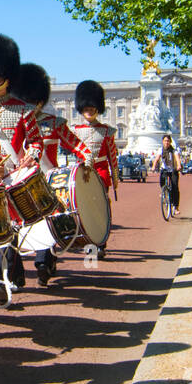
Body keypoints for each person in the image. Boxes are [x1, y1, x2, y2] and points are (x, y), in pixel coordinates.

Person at [0, 34, 43, 305]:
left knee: (8, 230)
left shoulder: (23, 110)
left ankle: (0, 283)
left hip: (13, 175)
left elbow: (35, 141)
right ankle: (15, 275)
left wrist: (30, 157)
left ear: (7, 77)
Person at [10, 63, 91, 285]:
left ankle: (43, 263)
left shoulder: (54, 124)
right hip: (19, 181)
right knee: (15, 227)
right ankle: (15, 273)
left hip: (47, 180)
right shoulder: (13, 121)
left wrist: (88, 161)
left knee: (45, 223)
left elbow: (77, 145)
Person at [71, 80, 119, 255]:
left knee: (100, 206)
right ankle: (89, 239)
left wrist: (115, 176)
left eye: (91, 109)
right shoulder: (75, 130)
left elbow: (112, 155)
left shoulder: (107, 130)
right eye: (86, 109)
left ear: (97, 109)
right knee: (83, 208)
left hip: (101, 171)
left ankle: (101, 242)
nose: (89, 112)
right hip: (82, 171)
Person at [155, 134, 182, 213]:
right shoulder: (161, 150)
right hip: (165, 169)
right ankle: (164, 191)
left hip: (173, 169)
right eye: (165, 141)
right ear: (163, 142)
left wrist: (179, 165)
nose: (166, 142)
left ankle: (176, 207)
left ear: (170, 142)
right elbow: (157, 158)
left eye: (168, 141)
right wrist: (154, 166)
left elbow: (177, 158)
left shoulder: (174, 150)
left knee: (175, 187)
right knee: (162, 180)